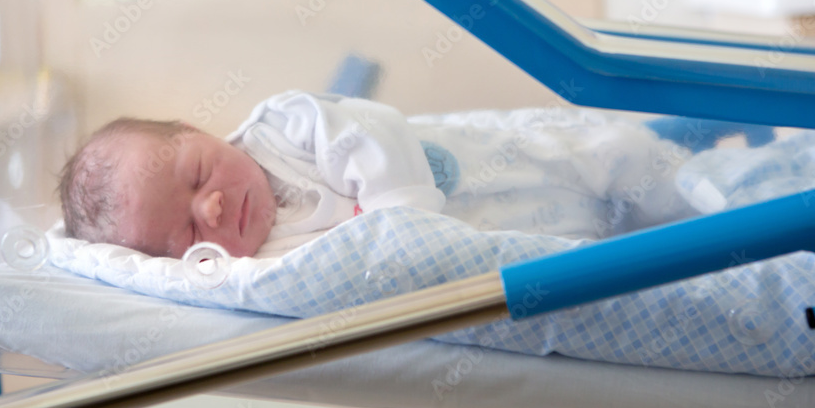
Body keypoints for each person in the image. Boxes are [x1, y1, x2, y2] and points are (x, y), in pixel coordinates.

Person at [58, 91, 694, 259]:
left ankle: (720, 208)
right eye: (189, 240)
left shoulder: (281, 127)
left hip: (516, 163)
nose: (215, 210)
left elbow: (368, 128)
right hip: (520, 235)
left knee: (620, 159)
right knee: (612, 255)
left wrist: (399, 217)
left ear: (200, 132)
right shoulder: (269, 266)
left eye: (198, 174)